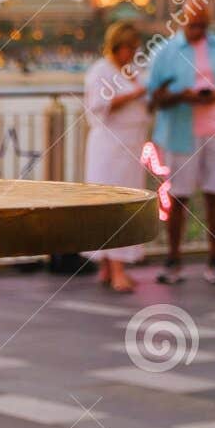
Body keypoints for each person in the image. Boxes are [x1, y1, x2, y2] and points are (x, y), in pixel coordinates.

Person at [147, 0, 215, 285]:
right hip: (181, 131)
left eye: (203, 25)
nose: (198, 30)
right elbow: (155, 95)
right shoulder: (168, 51)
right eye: (193, 24)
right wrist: (181, 95)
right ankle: (174, 259)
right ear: (183, 22)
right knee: (179, 197)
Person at [83, 21, 150, 292]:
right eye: (129, 48)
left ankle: (111, 267)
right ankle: (114, 267)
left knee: (129, 203)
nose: (133, 53)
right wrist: (135, 93)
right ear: (118, 46)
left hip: (132, 144)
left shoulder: (134, 71)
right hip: (110, 145)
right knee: (112, 205)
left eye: (135, 48)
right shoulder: (100, 71)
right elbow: (99, 105)